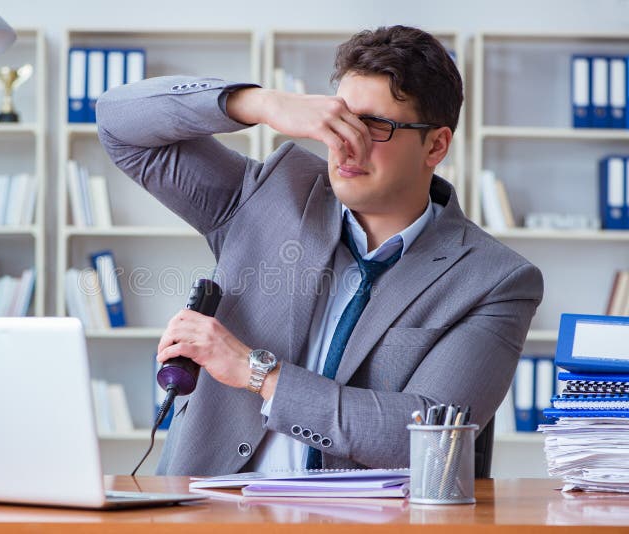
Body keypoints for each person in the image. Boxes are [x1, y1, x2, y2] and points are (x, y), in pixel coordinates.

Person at [96, 25, 543, 476]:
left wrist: (258, 374)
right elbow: (118, 123)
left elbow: (430, 439)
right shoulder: (272, 192)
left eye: (374, 125)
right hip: (207, 509)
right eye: (339, 117)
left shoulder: (493, 279)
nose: (345, 142)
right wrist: (263, 104)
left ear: (436, 145)